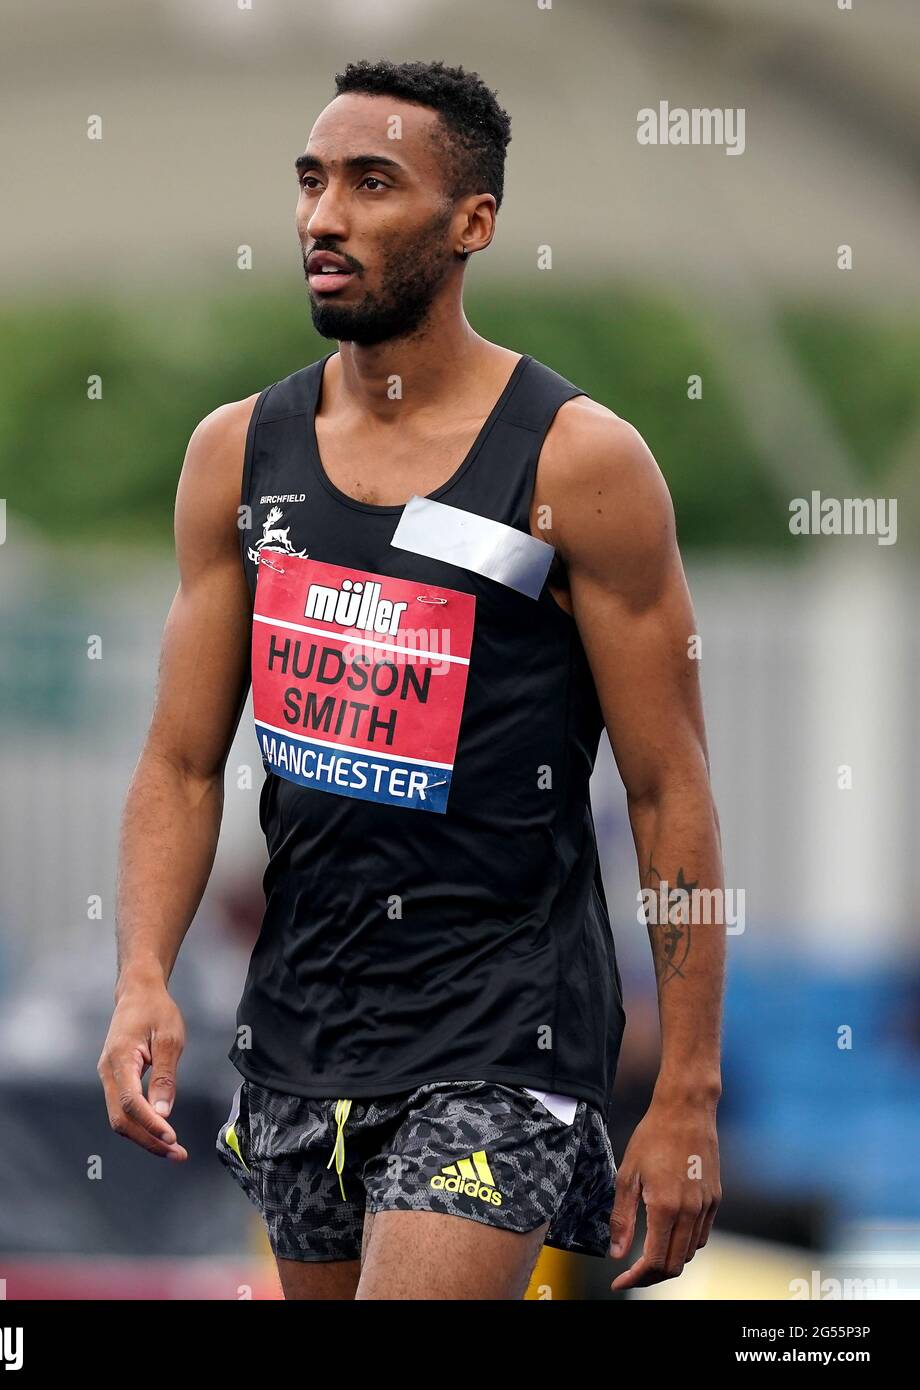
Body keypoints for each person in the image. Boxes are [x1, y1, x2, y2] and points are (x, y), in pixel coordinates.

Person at [98, 58, 724, 1301]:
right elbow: (179, 760)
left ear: (471, 223)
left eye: (371, 184)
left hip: (504, 1025)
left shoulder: (577, 459)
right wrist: (142, 979)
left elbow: (668, 791)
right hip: (301, 1021)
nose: (322, 217)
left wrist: (687, 1087)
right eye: (312, 181)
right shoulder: (237, 453)